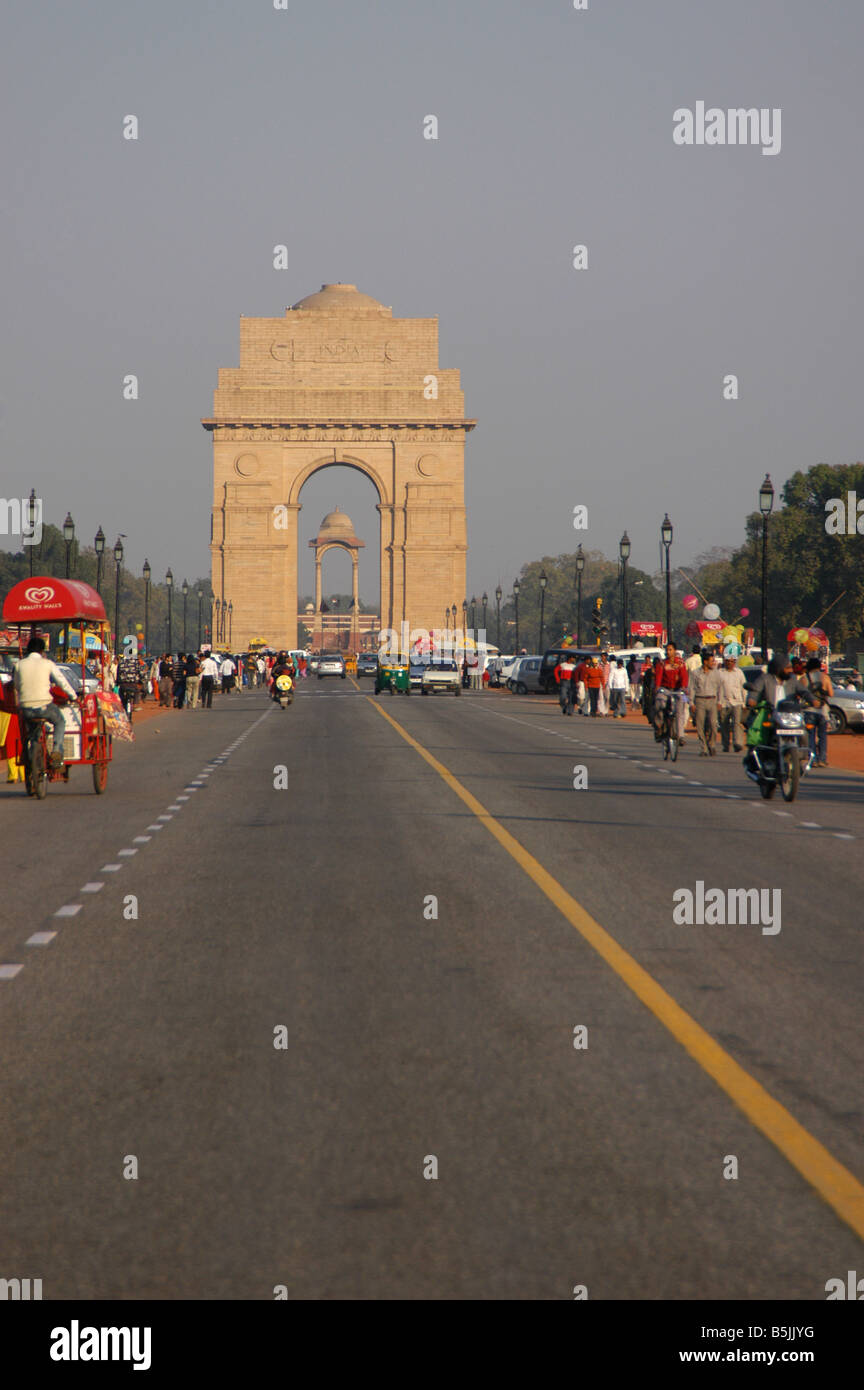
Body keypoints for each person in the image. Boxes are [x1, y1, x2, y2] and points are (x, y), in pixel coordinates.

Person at [13, 636, 78, 769]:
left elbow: (17, 685)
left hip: (26, 707)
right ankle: (56, 750)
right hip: (45, 706)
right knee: (60, 721)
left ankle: (28, 750)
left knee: (30, 731)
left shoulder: (19, 664)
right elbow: (62, 682)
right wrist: (73, 696)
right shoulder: (47, 663)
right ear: (42, 651)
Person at [653, 643, 689, 742]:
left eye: (670, 650)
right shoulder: (662, 663)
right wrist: (657, 687)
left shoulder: (681, 663)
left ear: (674, 651)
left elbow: (684, 676)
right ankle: (659, 727)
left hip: (677, 690)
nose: (668, 652)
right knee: (659, 704)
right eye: (667, 650)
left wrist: (684, 687)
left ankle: (680, 736)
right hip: (665, 690)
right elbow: (659, 677)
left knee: (680, 712)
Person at [690, 650, 721, 755]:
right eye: (711, 661)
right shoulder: (695, 673)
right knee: (700, 726)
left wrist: (720, 702)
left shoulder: (716, 673)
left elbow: (720, 688)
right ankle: (703, 748)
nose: (713, 663)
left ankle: (711, 745)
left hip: (712, 700)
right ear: (705, 662)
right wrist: (691, 703)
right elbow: (692, 688)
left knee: (713, 725)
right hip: (699, 700)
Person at [804, 657, 832, 767]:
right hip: (822, 711)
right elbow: (831, 693)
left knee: (810, 736)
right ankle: (822, 759)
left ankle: (812, 759)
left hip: (809, 710)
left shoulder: (804, 678)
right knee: (822, 736)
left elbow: (800, 693)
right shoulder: (825, 677)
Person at [717, 655, 747, 752]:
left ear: (734, 662)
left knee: (736, 724)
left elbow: (743, 688)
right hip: (723, 702)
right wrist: (718, 702)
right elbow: (716, 689)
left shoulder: (739, 673)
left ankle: (737, 743)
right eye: (728, 661)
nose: (730, 663)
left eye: (732, 661)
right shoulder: (719, 673)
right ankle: (725, 745)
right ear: (724, 662)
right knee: (724, 724)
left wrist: (744, 703)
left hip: (737, 702)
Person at [117, 649, 141, 720]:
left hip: (123, 684)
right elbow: (140, 673)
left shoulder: (121, 662)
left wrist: (118, 682)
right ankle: (135, 703)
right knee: (137, 692)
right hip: (133, 684)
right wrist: (140, 681)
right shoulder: (136, 662)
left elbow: (118, 674)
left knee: (122, 698)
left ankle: (123, 707)